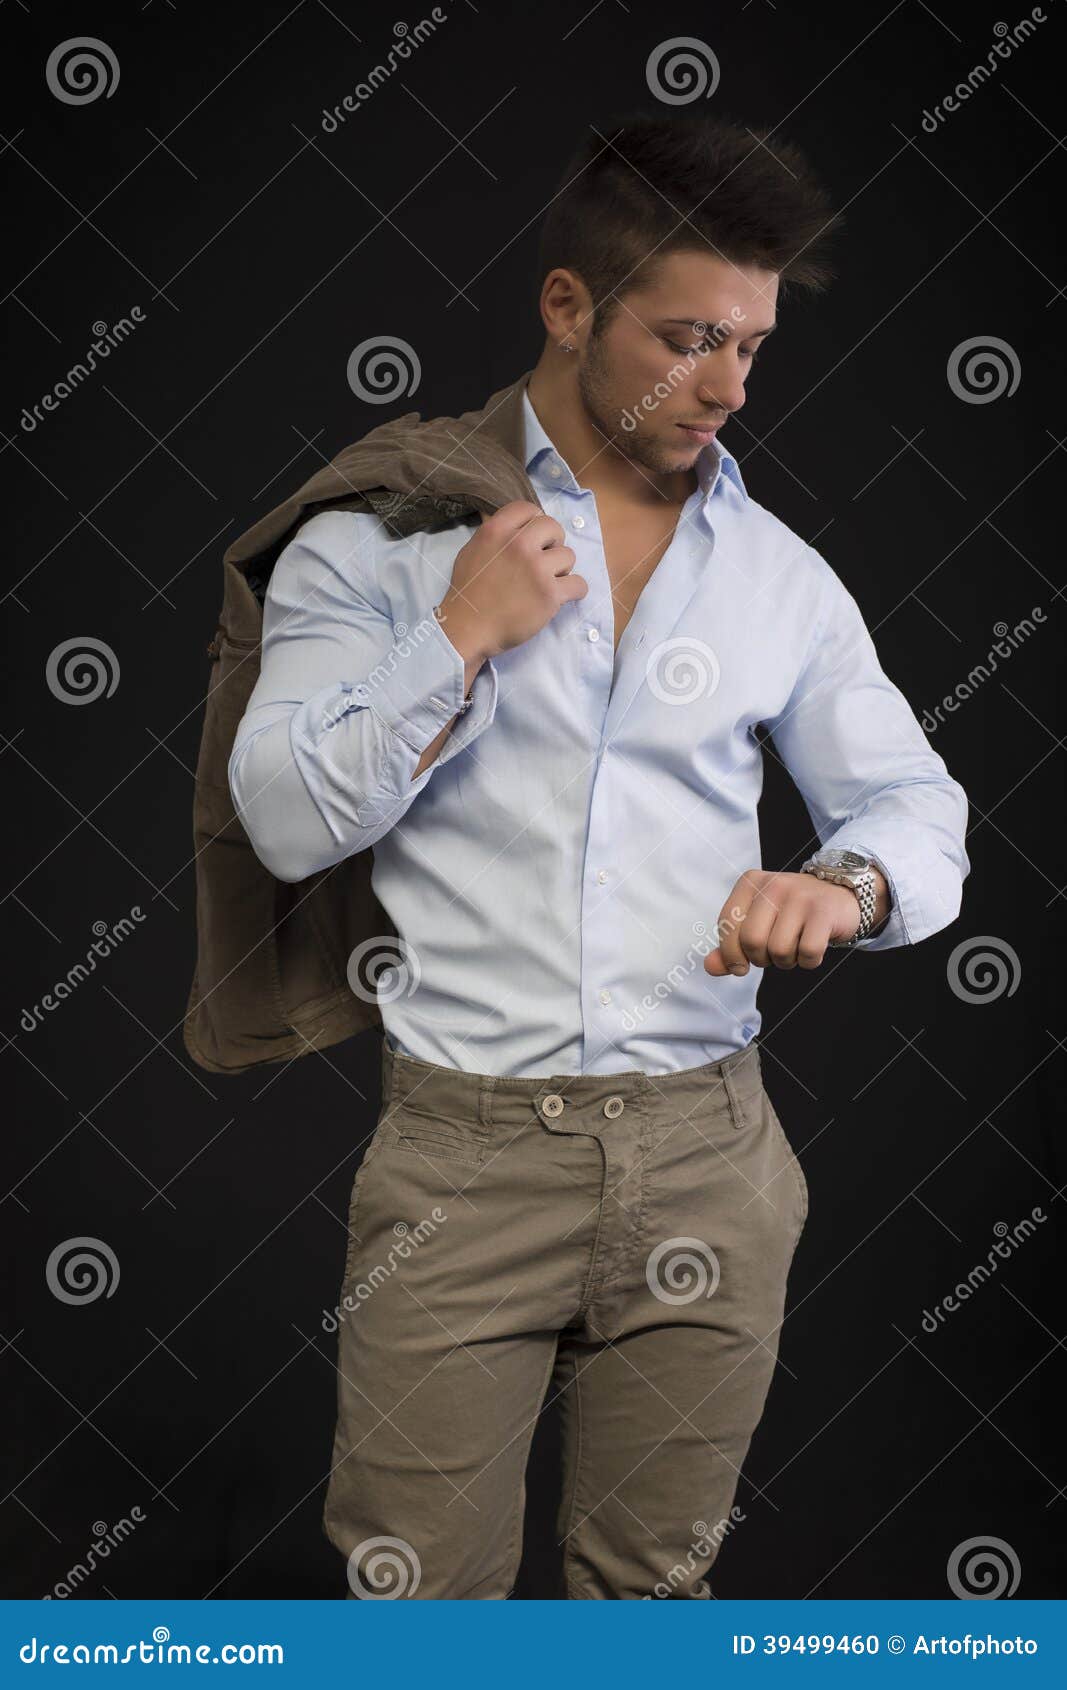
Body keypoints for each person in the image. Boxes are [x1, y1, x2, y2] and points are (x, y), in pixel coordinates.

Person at [228, 112, 970, 1599]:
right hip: (463, 1162)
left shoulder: (778, 579)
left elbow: (917, 808)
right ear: (568, 307)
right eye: (688, 337)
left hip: (710, 1154)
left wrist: (845, 883)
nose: (729, 387)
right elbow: (283, 815)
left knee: (652, 1602)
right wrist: (458, 636)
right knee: (417, 1605)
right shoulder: (386, 538)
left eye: (752, 346)